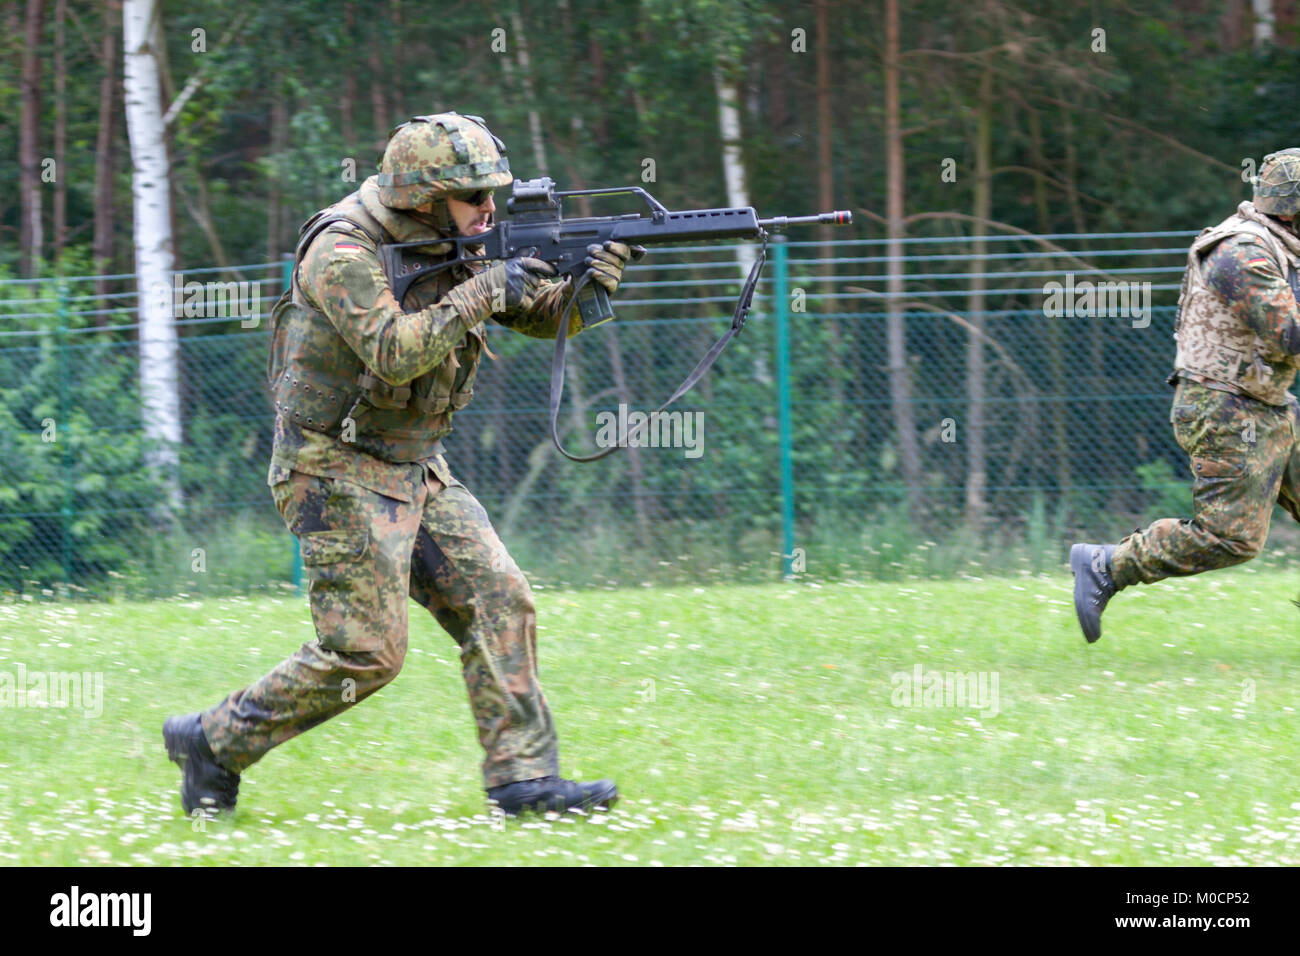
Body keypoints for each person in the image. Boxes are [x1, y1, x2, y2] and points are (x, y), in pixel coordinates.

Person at [163, 112, 641, 816]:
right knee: (366, 655)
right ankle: (212, 740)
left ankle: (524, 782)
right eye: (474, 197)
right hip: (332, 468)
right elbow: (393, 349)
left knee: (499, 599)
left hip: (414, 462)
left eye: (492, 197)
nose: (489, 211)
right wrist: (488, 286)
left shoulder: (457, 236)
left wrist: (589, 290)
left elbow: (531, 310)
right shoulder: (342, 250)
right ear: (424, 196)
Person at [1071, 148, 1300, 642]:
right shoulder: (1242, 252)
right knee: (1229, 537)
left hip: (1270, 403)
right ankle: (1107, 565)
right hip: (1225, 409)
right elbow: (1290, 334)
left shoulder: (1283, 245)